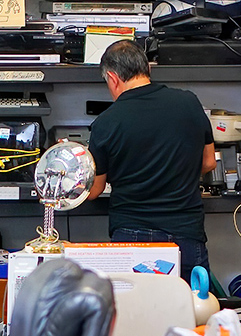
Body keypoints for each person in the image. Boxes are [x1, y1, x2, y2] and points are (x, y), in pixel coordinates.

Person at [87, 39, 216, 283]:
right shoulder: (189, 102)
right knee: (190, 312)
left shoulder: (106, 123)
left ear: (113, 78)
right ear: (148, 69)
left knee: (138, 314)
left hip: (132, 235)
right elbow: (209, 162)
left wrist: (78, 162)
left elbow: (94, 191)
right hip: (186, 231)